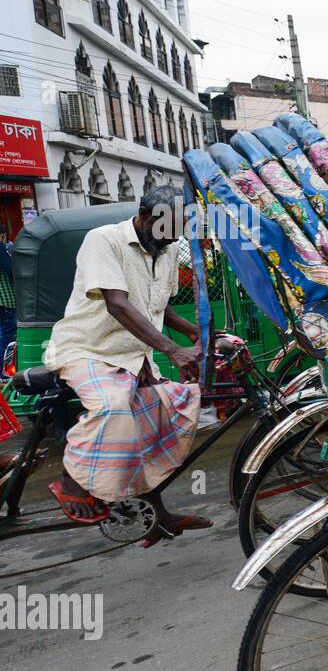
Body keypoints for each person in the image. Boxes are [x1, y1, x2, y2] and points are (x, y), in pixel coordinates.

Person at [42, 185, 209, 537]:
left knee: (161, 414)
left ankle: (155, 513)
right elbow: (117, 303)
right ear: (145, 216)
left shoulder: (163, 250)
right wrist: (173, 350)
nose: (170, 239)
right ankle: (70, 483)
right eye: (164, 230)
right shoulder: (103, 240)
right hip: (87, 348)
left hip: (133, 354)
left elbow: (158, 304)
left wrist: (195, 332)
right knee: (114, 406)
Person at [0, 228, 15, 382]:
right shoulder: (0, 248)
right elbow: (11, 270)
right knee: (7, 337)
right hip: (5, 299)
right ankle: (1, 372)